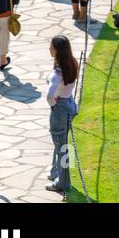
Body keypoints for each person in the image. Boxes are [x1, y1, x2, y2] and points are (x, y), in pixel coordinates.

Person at [45, 35, 79, 195]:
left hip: (60, 110)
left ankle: (63, 183)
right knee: (63, 143)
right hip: (70, 103)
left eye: (51, 46)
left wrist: (54, 104)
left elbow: (49, 97)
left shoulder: (56, 74)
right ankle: (55, 173)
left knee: (62, 147)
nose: (49, 49)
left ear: (57, 50)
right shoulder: (73, 63)